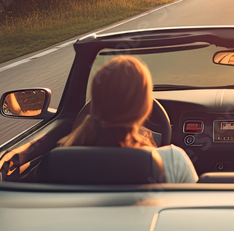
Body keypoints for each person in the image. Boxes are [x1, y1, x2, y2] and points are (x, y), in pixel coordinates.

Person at [55, 55, 198, 183]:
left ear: (95, 104)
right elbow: (192, 211)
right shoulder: (173, 160)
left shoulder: (59, 162)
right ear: (145, 107)